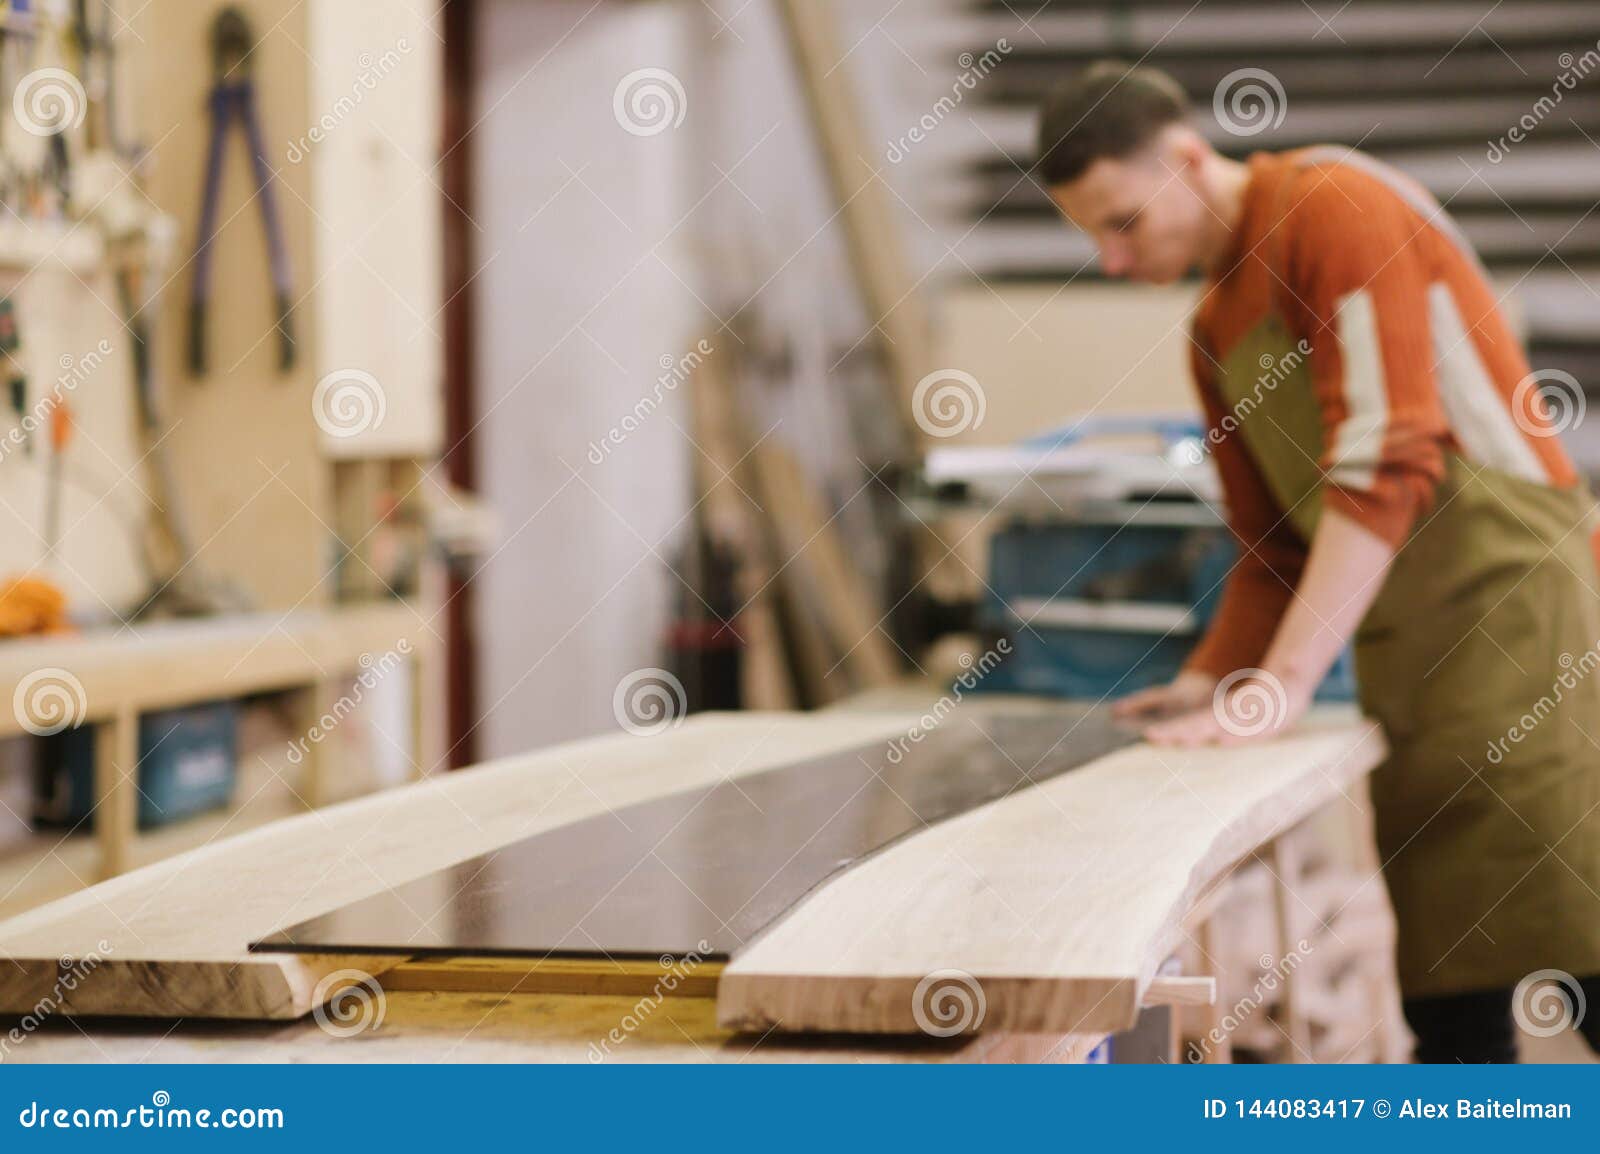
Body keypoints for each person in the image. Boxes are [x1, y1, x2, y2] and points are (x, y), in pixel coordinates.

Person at [1035, 61, 1600, 1062]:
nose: (1112, 258)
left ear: (1184, 155)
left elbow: (1387, 458)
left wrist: (1280, 685)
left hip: (1522, 616)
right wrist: (1207, 679)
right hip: (1417, 658)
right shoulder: (1212, 326)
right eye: (1092, 237)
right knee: (1451, 979)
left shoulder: (1330, 207)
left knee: (1579, 946)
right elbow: (1270, 547)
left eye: (1120, 222)